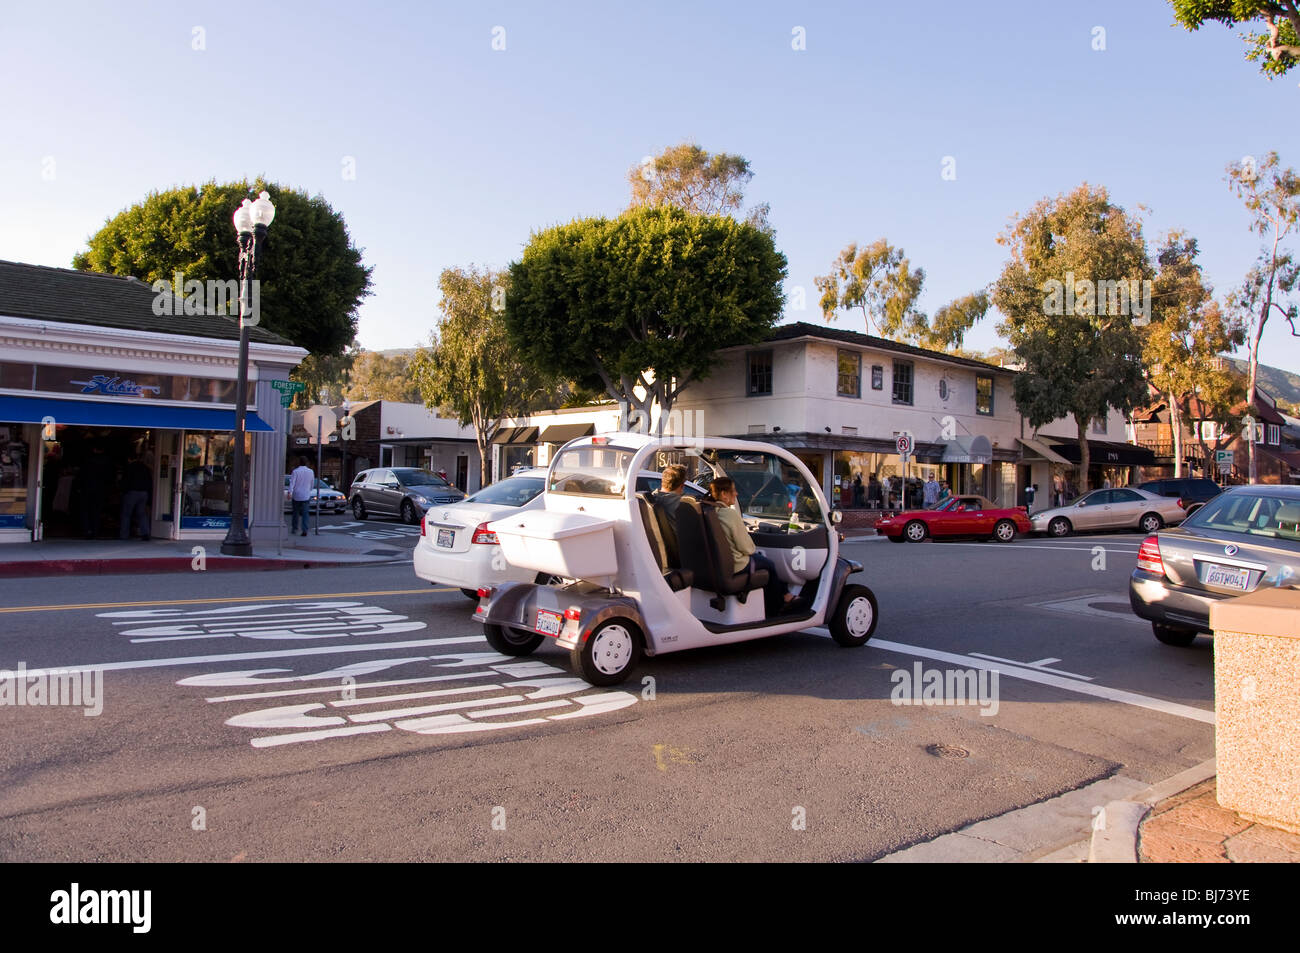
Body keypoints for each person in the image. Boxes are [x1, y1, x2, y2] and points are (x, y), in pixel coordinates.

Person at [708, 476, 792, 615]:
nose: (736, 494)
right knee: (770, 565)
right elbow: (746, 548)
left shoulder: (711, 511)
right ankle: (779, 604)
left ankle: (785, 596)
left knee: (764, 562)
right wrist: (753, 549)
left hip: (718, 565)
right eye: (733, 491)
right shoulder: (729, 513)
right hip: (737, 564)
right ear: (723, 494)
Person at [649, 464, 687, 558]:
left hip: (655, 553)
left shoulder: (650, 499)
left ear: (663, 481)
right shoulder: (682, 505)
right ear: (682, 485)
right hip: (681, 555)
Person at [119, 451, 152, 540]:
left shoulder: (129, 467)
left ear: (129, 459)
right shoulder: (145, 467)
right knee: (142, 514)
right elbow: (149, 481)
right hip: (144, 493)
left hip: (132, 493)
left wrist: (123, 491)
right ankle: (145, 534)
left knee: (126, 514)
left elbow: (125, 481)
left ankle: (124, 535)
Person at [288, 456, 315, 537]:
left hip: (296, 495)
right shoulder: (310, 472)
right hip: (306, 495)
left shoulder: (295, 471)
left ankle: (295, 528)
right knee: (305, 514)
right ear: (306, 463)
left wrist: (290, 492)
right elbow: (312, 483)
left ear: (299, 462)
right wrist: (309, 490)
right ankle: (304, 530)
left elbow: (292, 483)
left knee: (295, 513)